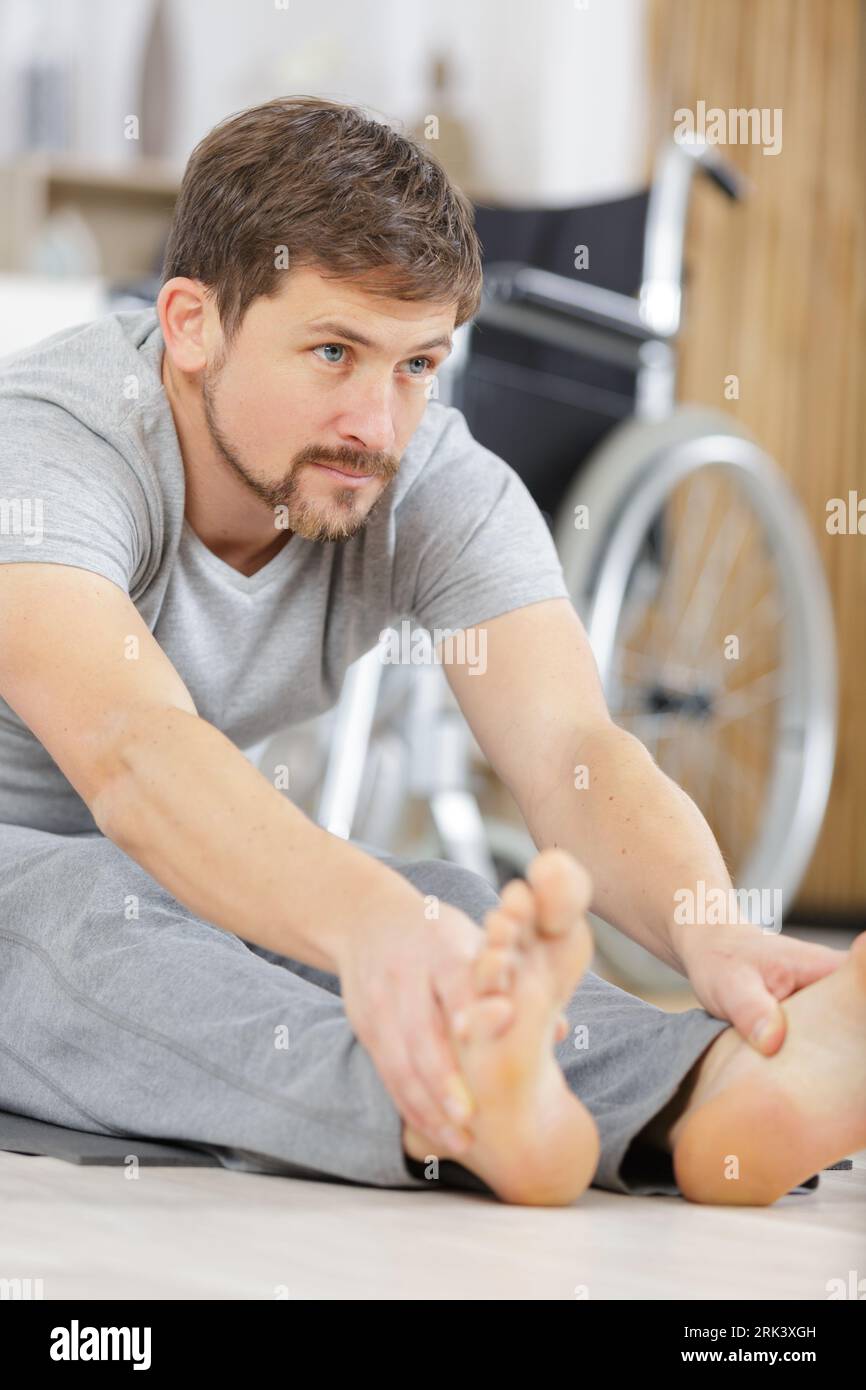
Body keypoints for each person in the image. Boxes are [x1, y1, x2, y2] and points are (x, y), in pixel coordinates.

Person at [0, 97, 861, 1207]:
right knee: (76, 910)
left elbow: (567, 750)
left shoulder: (425, 478)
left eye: (416, 365)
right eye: (331, 350)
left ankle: (708, 1082)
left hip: (151, 855)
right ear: (189, 323)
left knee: (446, 898)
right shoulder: (50, 446)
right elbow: (134, 751)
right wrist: (369, 927)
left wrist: (708, 925)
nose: (376, 422)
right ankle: (451, 1105)